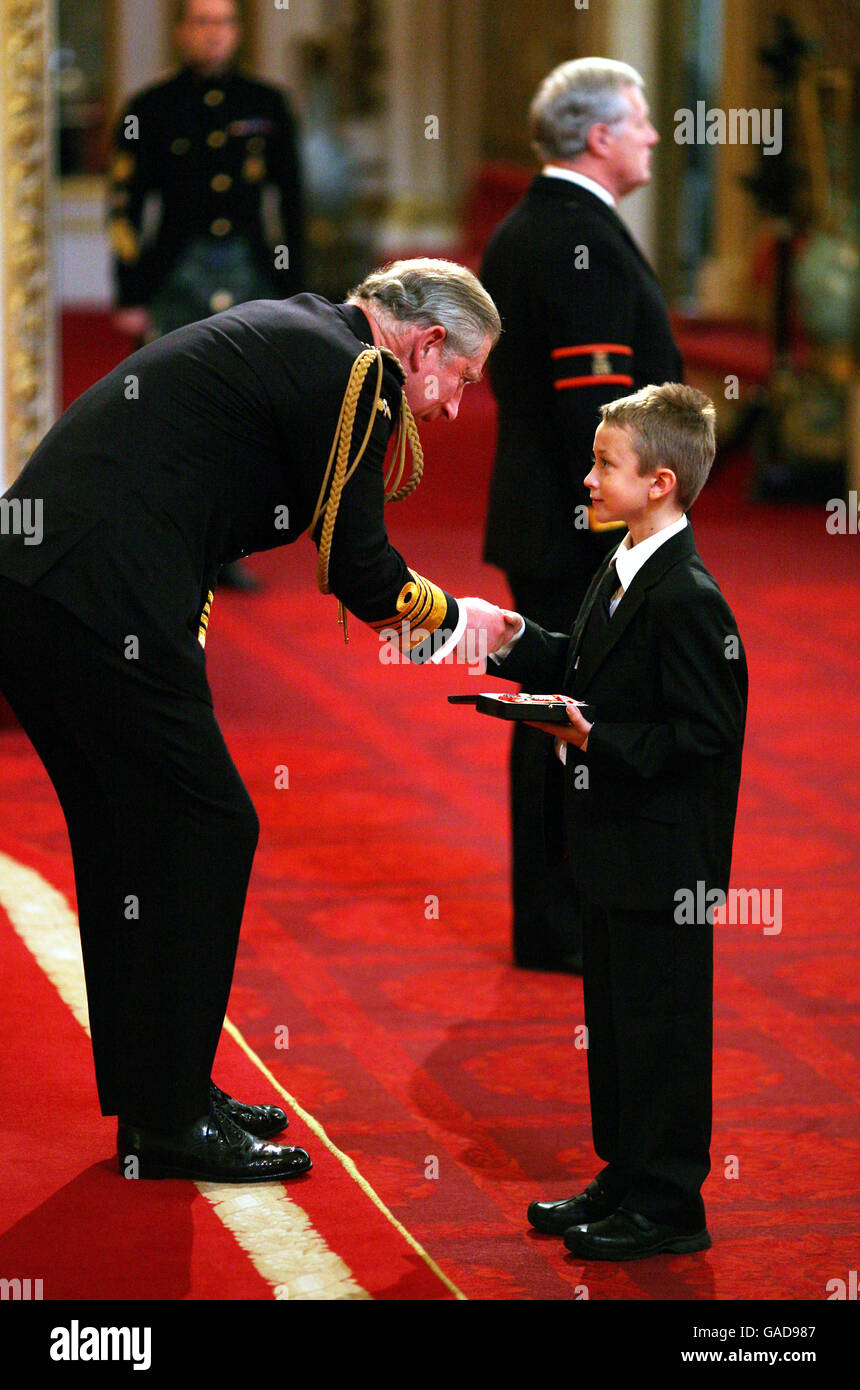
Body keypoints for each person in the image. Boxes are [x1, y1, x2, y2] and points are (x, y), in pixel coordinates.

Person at [0, 259, 518, 1184]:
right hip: (96, 598)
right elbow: (362, 570)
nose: (449, 409)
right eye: (463, 381)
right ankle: (169, 1119)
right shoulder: (361, 372)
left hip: (53, 588)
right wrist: (454, 618)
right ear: (427, 344)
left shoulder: (311, 335)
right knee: (208, 827)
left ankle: (166, 1094)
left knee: (135, 836)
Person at [486, 383, 748, 1259]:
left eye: (606, 465)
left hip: (666, 863)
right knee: (617, 1020)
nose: (588, 478)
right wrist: (511, 635)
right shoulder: (624, 562)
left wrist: (595, 736)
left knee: (662, 1029)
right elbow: (581, 660)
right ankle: (627, 1172)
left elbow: (705, 737)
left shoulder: (690, 597)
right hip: (613, 848)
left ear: (662, 482)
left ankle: (671, 1203)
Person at [480, 58, 683, 973]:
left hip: (550, 519)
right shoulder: (581, 239)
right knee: (573, 713)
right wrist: (634, 537)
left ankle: (556, 915)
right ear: (600, 137)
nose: (652, 136)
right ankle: (565, 921)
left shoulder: (540, 224)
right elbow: (598, 418)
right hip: (579, 531)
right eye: (640, 122)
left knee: (557, 708)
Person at [107, 0, 306, 590]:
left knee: (239, 418)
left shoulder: (267, 105)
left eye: (223, 22)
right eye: (200, 22)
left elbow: (290, 204)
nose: (213, 34)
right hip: (174, 271)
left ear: (237, 32)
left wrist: (294, 291)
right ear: (181, 32)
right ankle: (163, 544)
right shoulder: (149, 108)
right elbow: (125, 206)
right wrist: (130, 291)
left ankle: (223, 548)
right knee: (164, 414)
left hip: (248, 268)